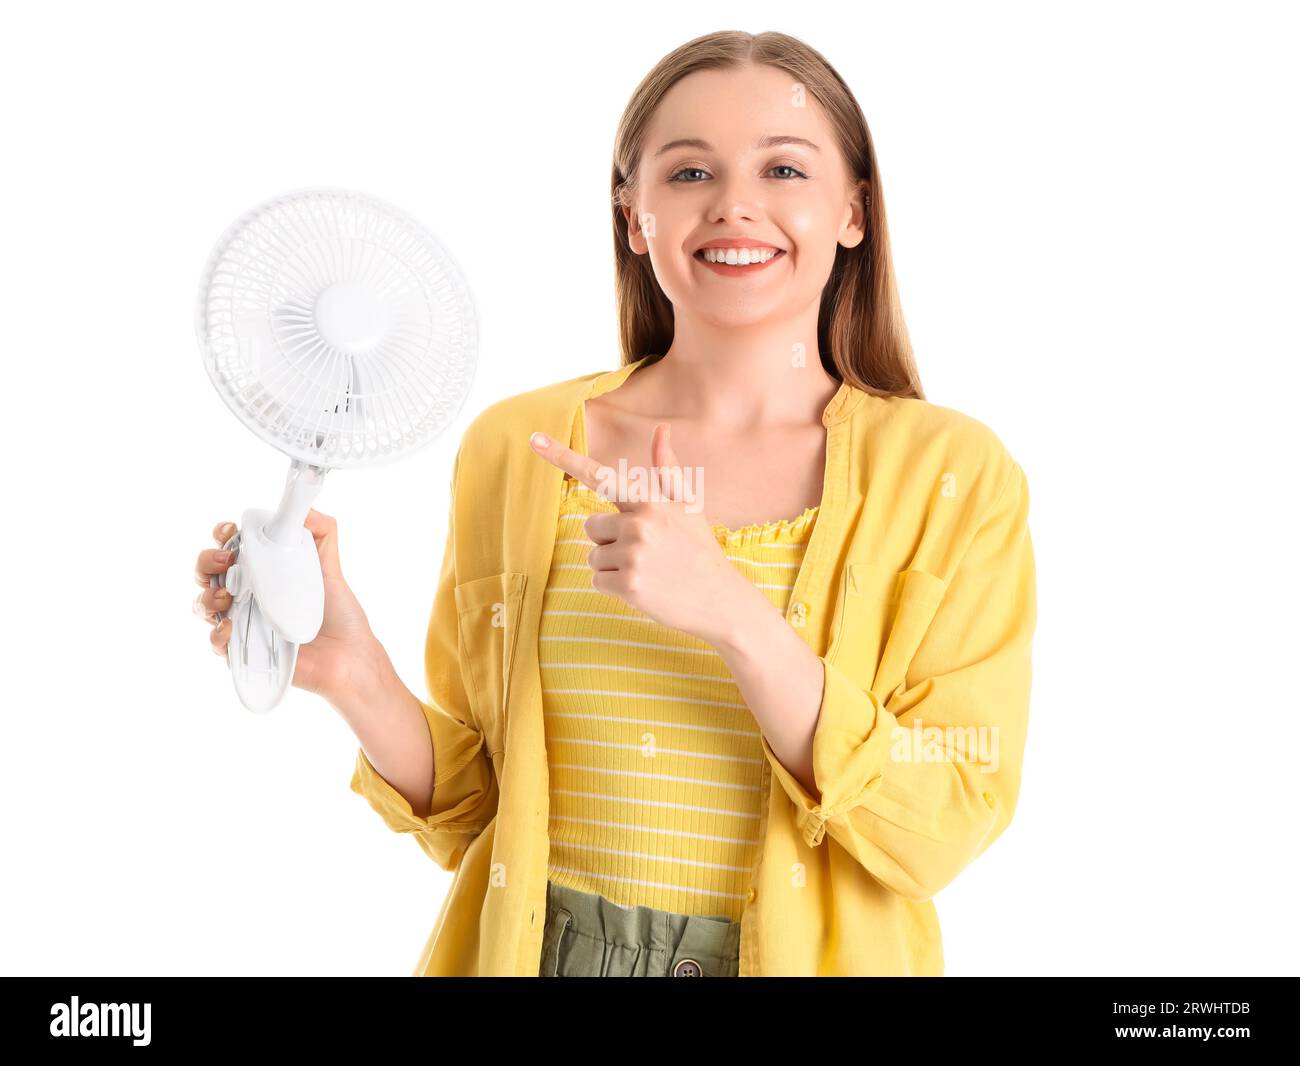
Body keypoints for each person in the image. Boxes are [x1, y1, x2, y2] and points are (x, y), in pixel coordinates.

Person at [192, 29, 1036, 977]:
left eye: (785, 167)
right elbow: (478, 812)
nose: (735, 206)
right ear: (633, 215)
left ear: (853, 211)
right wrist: (357, 676)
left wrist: (732, 615)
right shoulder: (518, 449)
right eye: (687, 174)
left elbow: (945, 823)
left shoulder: (951, 476)